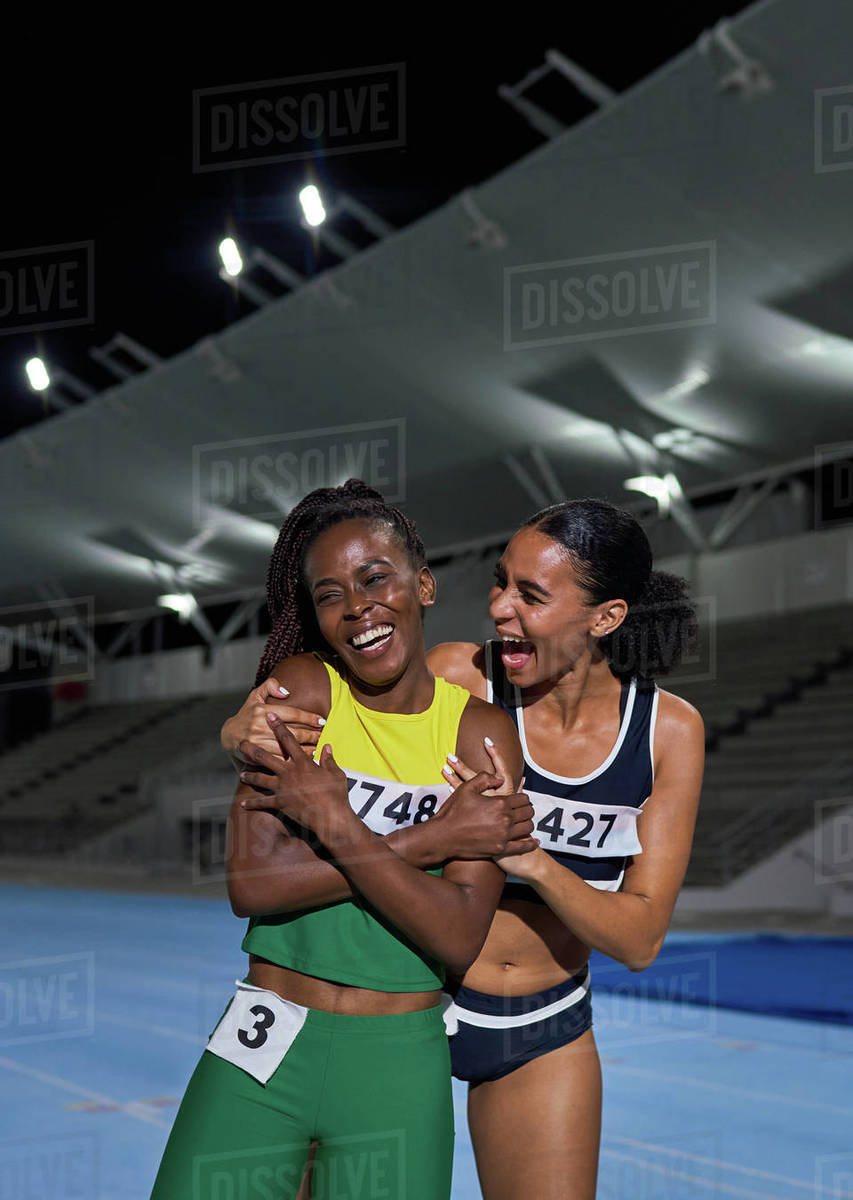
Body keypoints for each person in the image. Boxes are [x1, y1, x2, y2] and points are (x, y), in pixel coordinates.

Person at [221, 497, 705, 1200]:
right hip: (398, 1005)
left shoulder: (667, 733)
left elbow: (638, 939)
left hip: (542, 1030)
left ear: (604, 618)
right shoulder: (457, 677)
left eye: (530, 595)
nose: (500, 608)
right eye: (500, 581)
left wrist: (531, 859)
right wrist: (236, 730)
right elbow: (310, 700)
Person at [150, 479, 536, 1200]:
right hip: (267, 1036)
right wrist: (435, 837)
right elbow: (252, 886)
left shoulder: (480, 734)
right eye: (330, 595)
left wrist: (332, 823)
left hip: (396, 1060)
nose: (357, 607)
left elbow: (456, 937)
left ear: (421, 585)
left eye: (375, 578)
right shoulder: (304, 690)